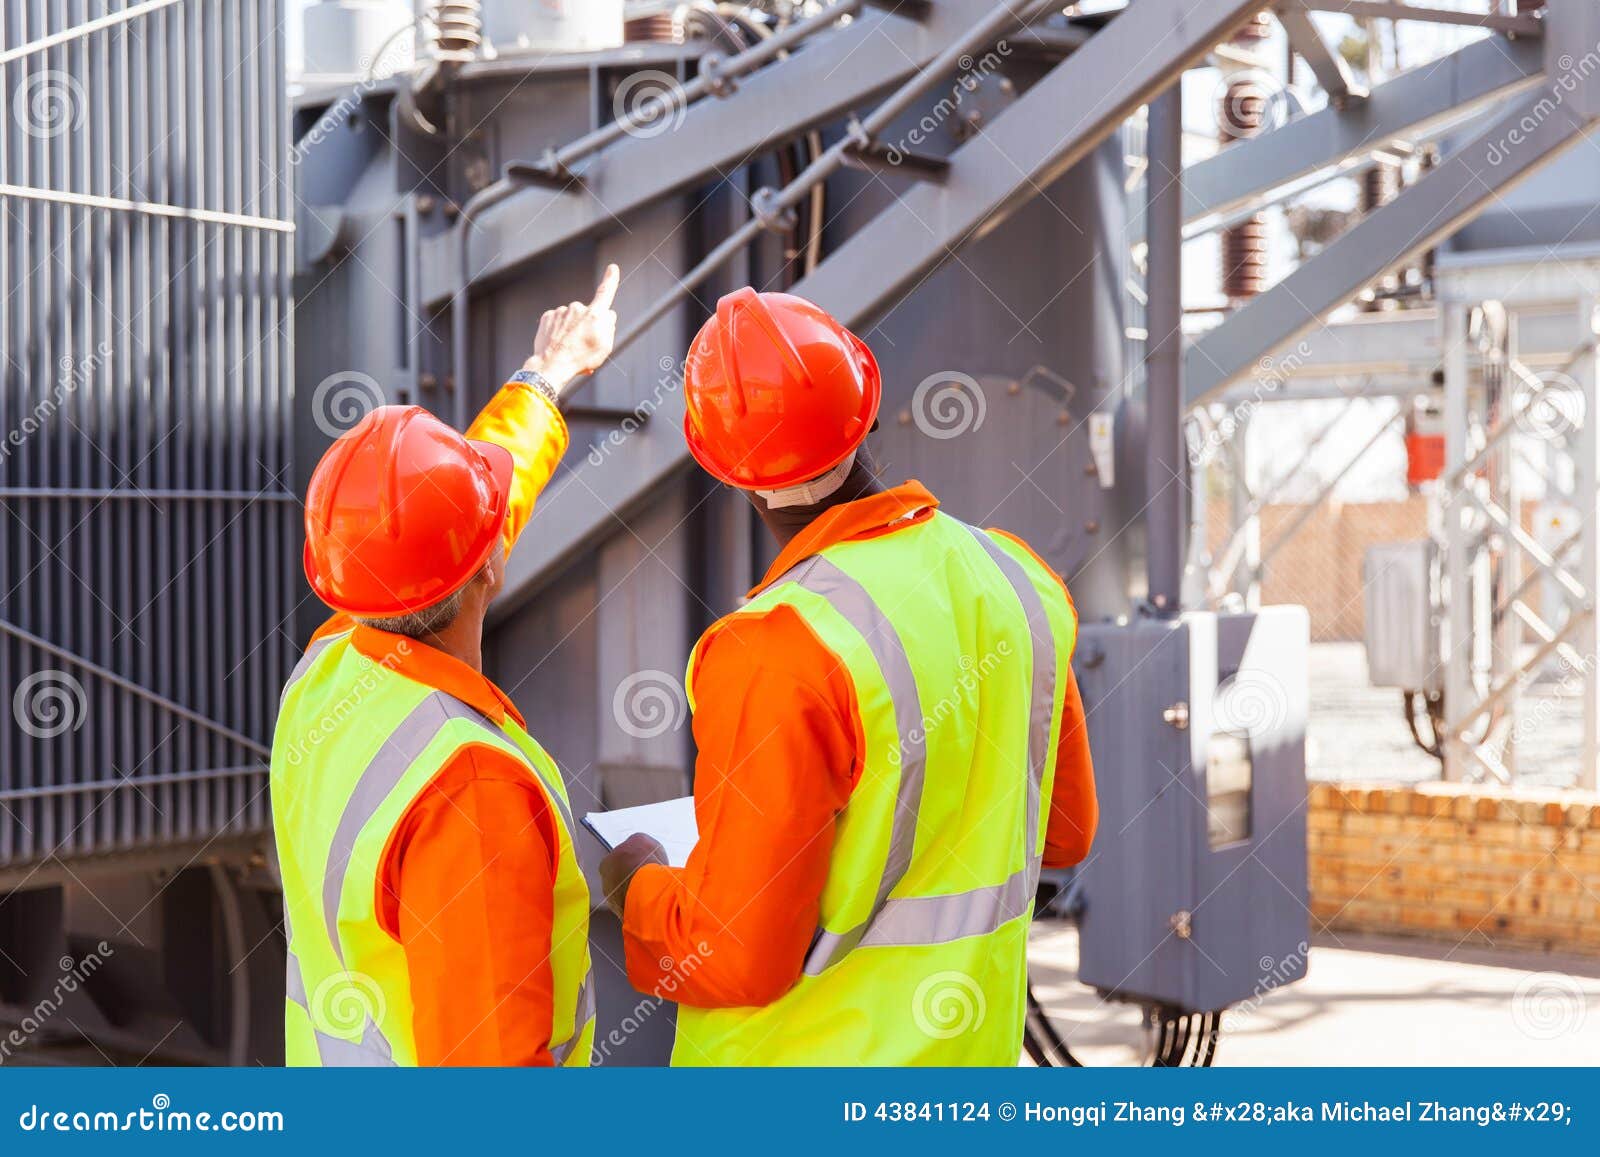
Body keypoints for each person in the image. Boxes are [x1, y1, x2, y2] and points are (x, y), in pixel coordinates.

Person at [600, 287, 1098, 1066]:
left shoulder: (776, 646)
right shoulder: (1020, 577)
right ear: (864, 415)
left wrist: (637, 884)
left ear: (727, 469)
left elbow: (737, 954)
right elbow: (1063, 831)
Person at [270, 267, 621, 1066]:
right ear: (492, 563)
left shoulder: (329, 664)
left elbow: (436, 527)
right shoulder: (471, 789)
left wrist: (548, 376)